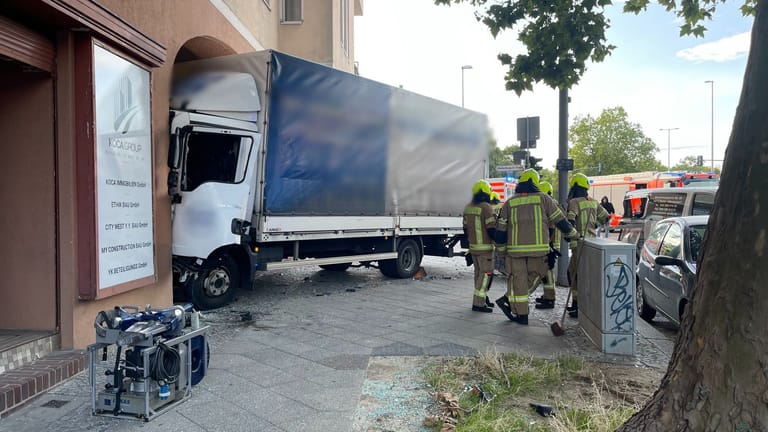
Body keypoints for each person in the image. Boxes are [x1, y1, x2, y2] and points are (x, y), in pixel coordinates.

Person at [494, 170, 578, 325]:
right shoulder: (544, 199)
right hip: (538, 252)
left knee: (518, 280)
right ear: (535, 182)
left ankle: (520, 314)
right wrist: (574, 235)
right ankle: (511, 304)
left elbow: (500, 231)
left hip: (514, 251)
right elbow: (561, 221)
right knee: (536, 276)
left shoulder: (509, 203)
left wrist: (500, 251)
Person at [566, 173, 610, 318]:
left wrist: (571, 234)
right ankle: (582, 304)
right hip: (592, 243)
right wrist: (595, 225)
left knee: (573, 273)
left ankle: (576, 304)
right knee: (586, 274)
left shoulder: (574, 202)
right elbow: (606, 217)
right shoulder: (593, 202)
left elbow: (570, 221)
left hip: (579, 243)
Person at [463, 180, 497, 313]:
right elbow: (492, 229)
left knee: (478, 274)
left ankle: (483, 298)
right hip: (485, 249)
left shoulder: (468, 207)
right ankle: (478, 303)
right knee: (486, 274)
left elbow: (465, 229)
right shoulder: (486, 207)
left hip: (474, 248)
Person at [532, 181, 562, 310]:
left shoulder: (548, 204)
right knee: (546, 272)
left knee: (547, 272)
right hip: (551, 243)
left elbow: (550, 227)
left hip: (550, 243)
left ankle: (550, 299)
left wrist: (548, 244)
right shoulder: (552, 203)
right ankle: (547, 296)